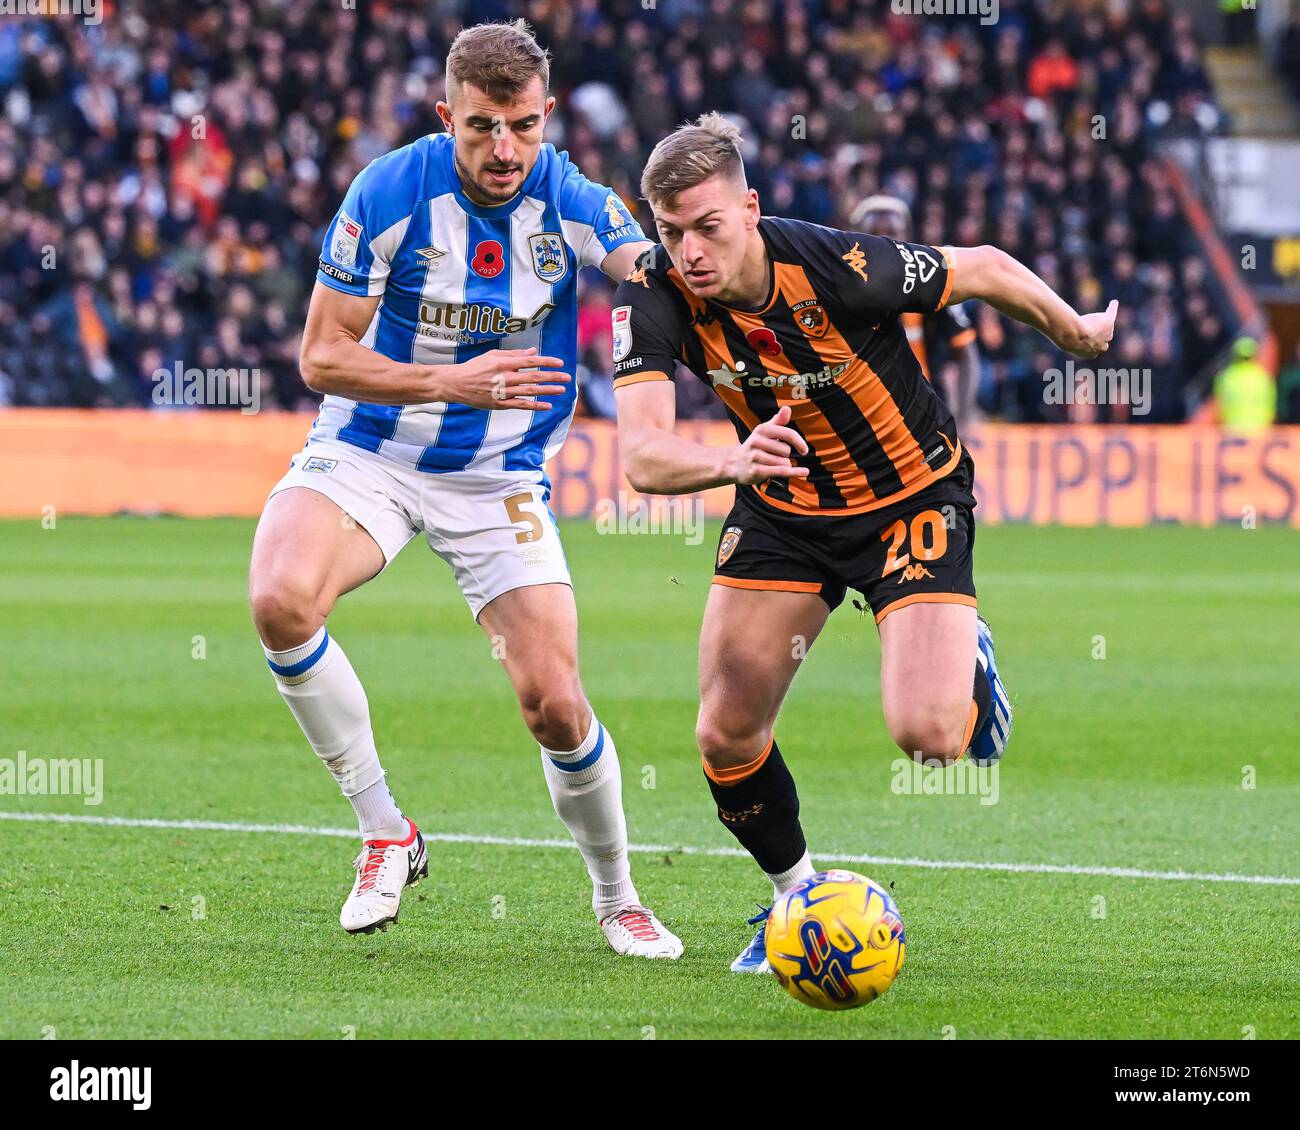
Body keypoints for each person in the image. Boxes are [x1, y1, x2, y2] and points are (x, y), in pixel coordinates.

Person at [610, 114, 1117, 972]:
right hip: (781, 505)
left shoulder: (834, 263)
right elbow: (643, 458)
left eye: (707, 226)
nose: (689, 250)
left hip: (910, 498)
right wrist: (732, 462)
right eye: (670, 231)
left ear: (750, 209)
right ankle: (797, 904)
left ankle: (969, 664)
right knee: (725, 733)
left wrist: (1070, 331)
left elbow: (985, 267)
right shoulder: (656, 297)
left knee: (929, 739)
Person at [248, 20, 681, 957]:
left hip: (498, 476)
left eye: (522, 126)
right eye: (482, 126)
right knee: (280, 599)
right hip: (370, 450)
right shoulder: (390, 191)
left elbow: (650, 273)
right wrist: (451, 380)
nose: (503, 149)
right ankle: (385, 833)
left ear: (548, 116)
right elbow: (321, 356)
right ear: (448, 115)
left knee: (555, 704)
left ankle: (617, 896)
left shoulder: (573, 197)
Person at [851, 195, 982, 429]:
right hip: (860, 423)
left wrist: (962, 419)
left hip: (922, 421)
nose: (884, 242)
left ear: (906, 236)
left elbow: (967, 355)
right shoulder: (837, 287)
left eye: (893, 232)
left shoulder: (930, 281)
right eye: (874, 234)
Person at [1213, 337, 1276, 432]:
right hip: (1259, 431)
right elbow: (1271, 408)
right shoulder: (1263, 377)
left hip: (1232, 431)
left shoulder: (1226, 377)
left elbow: (1218, 406)